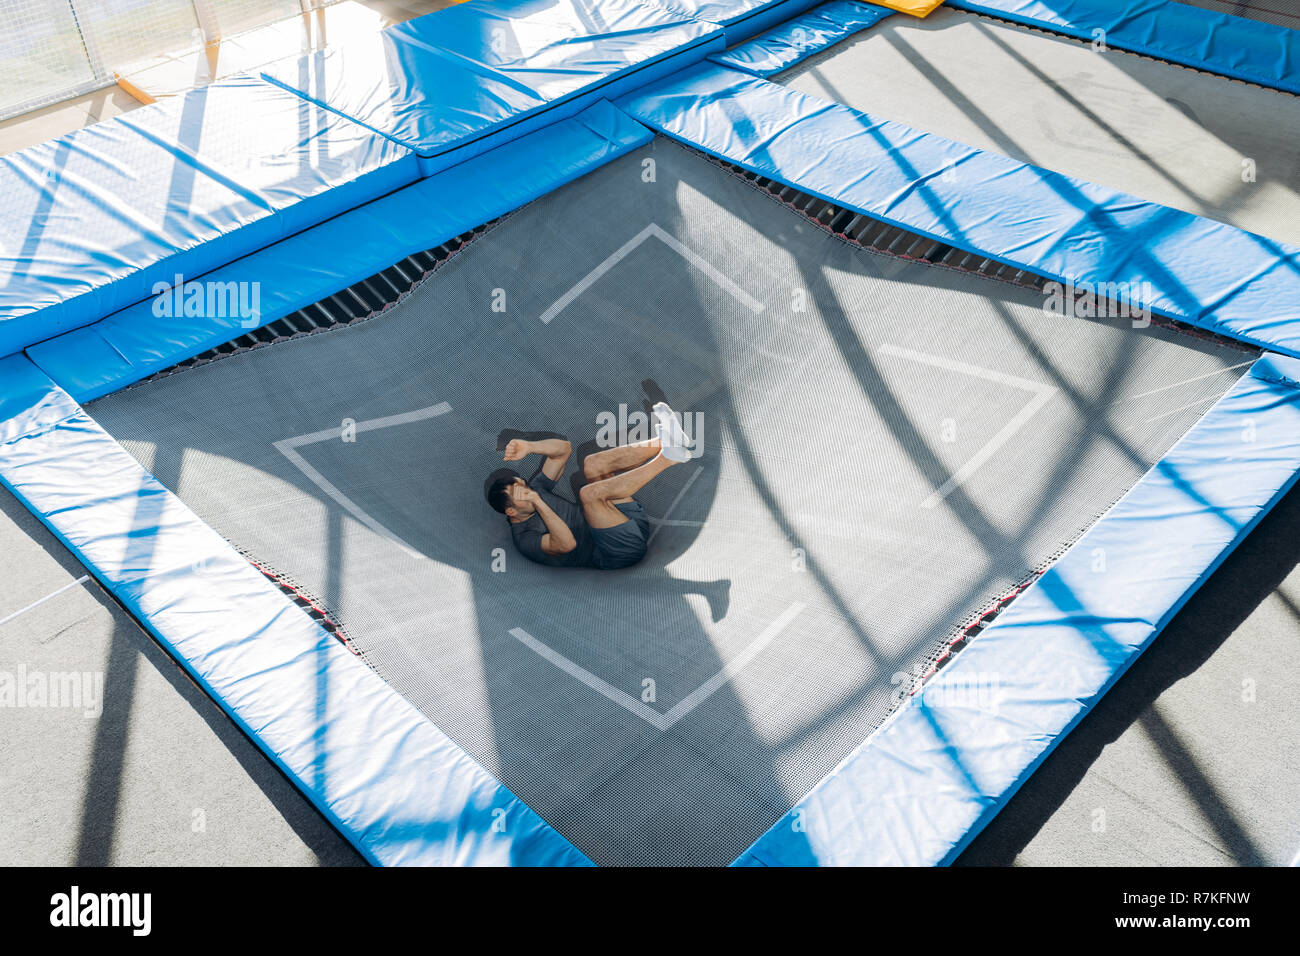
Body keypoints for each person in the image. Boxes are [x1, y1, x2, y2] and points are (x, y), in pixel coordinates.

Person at [485, 403, 692, 570]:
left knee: (593, 463)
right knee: (589, 494)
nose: (529, 491)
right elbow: (567, 544)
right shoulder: (525, 537)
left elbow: (563, 450)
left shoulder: (535, 489)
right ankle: (668, 458)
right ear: (511, 510)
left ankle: (664, 440)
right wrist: (538, 502)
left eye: (524, 485)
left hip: (623, 520)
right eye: (521, 493)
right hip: (618, 551)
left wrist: (530, 446)